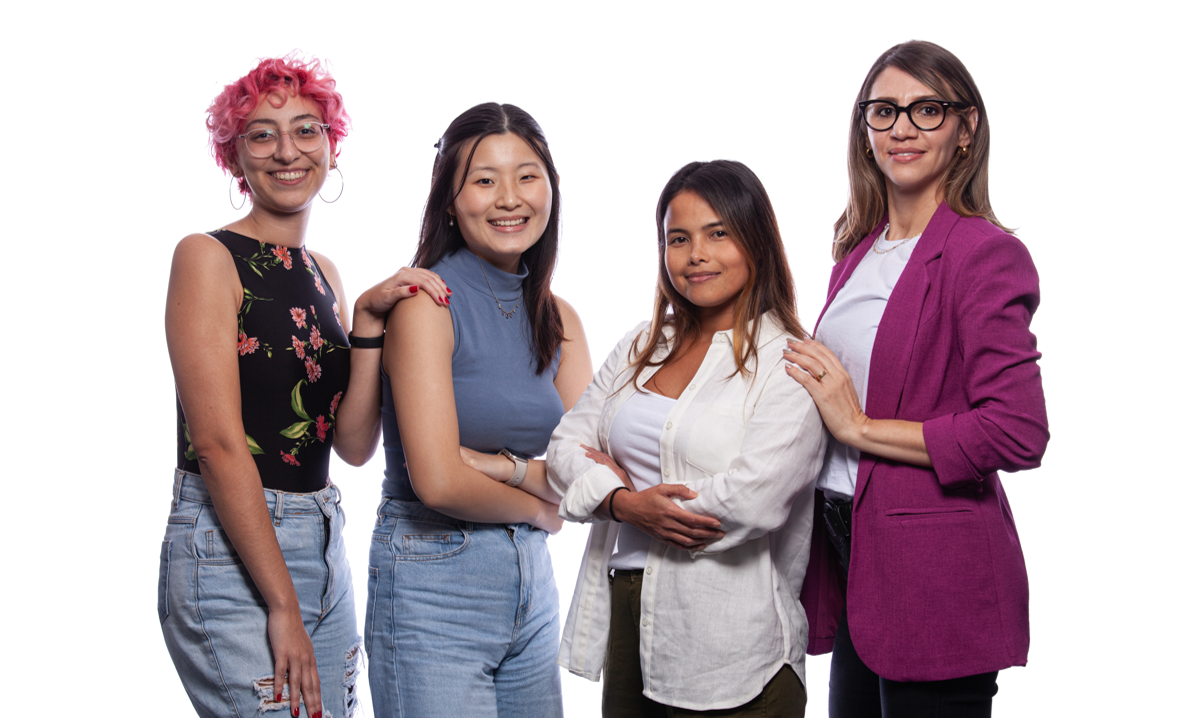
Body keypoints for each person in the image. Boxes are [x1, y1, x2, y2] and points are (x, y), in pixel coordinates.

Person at [159, 56, 448, 718]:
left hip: (320, 534)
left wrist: (367, 323)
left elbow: (352, 445)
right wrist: (282, 603)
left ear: (331, 146)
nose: (287, 151)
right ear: (234, 156)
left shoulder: (324, 273)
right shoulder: (206, 256)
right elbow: (218, 444)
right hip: (229, 545)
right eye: (262, 134)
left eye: (306, 130)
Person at [784, 40, 1049, 717]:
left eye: (926, 110)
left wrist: (859, 427)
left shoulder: (984, 255)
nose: (902, 128)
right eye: (884, 111)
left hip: (935, 578)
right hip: (855, 560)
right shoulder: (857, 251)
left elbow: (1017, 431)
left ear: (965, 128)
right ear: (865, 129)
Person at [547, 160, 826, 717]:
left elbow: (751, 499)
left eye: (718, 233)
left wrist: (626, 499)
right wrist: (624, 503)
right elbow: (562, 450)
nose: (696, 254)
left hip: (734, 646)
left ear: (757, 240)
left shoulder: (789, 362)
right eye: (679, 238)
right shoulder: (641, 346)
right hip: (629, 617)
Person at [367, 102, 593, 718]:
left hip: (531, 584)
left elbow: (590, 473)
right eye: (484, 180)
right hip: (433, 582)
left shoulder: (560, 319)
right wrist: (542, 508)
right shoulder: (426, 303)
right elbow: (438, 482)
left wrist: (501, 468)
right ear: (449, 198)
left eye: (527, 176)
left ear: (550, 188)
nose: (509, 199)